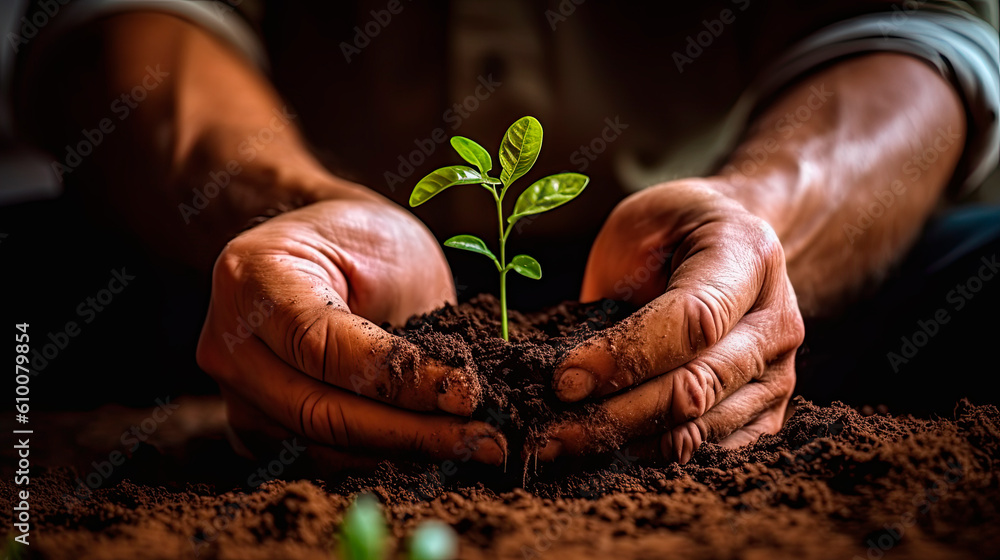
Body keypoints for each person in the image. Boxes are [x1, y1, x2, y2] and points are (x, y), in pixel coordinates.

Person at [11, 1, 998, 469]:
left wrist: (761, 220)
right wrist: (281, 213)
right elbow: (114, 24)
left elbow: (914, 30)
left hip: (680, 264)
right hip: (289, 270)